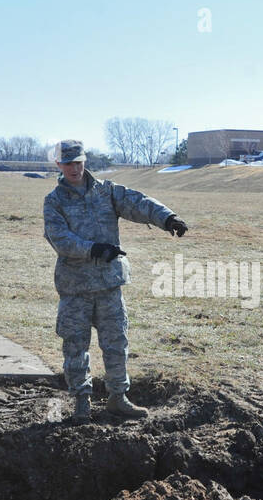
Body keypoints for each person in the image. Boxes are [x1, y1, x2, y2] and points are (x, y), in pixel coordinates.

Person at [43, 139, 188, 422]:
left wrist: (167, 218)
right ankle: (81, 401)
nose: (74, 168)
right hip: (76, 288)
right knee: (75, 346)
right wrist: (93, 249)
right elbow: (60, 239)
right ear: (59, 165)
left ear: (85, 161)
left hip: (109, 284)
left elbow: (138, 203)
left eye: (78, 161)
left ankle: (118, 398)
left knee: (116, 343)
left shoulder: (106, 191)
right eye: (68, 163)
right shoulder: (54, 201)